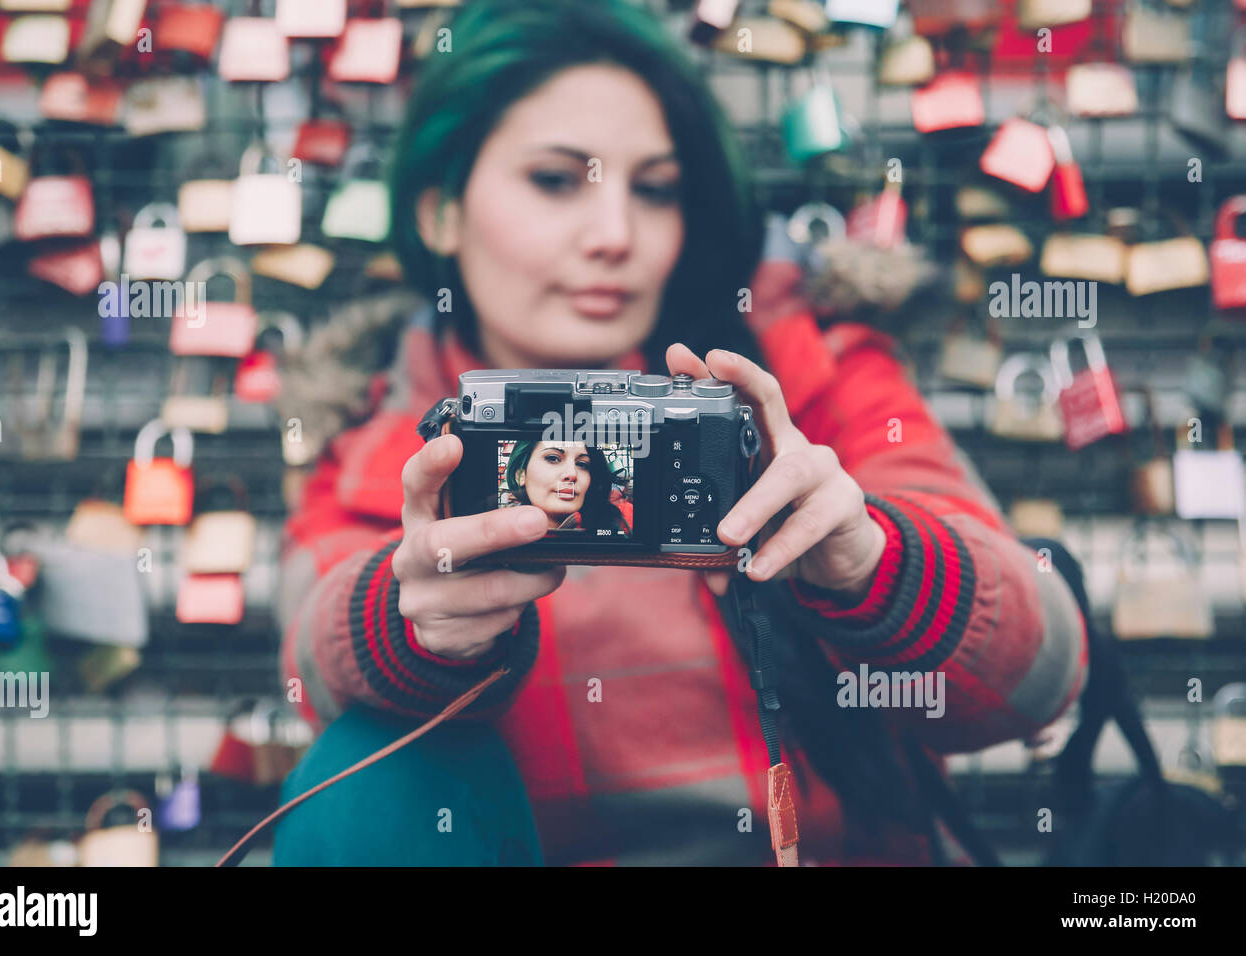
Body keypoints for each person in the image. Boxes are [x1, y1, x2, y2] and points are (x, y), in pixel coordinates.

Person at [272, 0, 1087, 866]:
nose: (616, 236)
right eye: (556, 180)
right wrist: (410, 628)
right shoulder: (383, 436)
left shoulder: (798, 371)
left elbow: (1041, 671)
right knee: (367, 774)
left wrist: (874, 563)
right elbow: (314, 665)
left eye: (656, 189)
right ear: (438, 213)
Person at [504, 439, 631, 533]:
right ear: (520, 475)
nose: (572, 474)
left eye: (582, 464)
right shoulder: (500, 527)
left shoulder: (625, 519)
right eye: (553, 458)